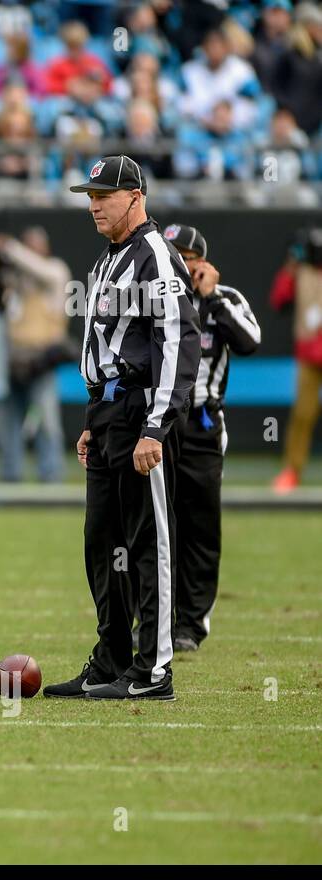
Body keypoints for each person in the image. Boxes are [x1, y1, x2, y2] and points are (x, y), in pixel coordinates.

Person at [44, 155, 199, 702]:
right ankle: (111, 658)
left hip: (139, 415)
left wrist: (155, 427)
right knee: (100, 541)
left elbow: (179, 343)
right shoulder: (111, 259)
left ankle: (155, 669)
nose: (93, 205)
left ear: (136, 195)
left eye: (103, 195)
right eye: (89, 195)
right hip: (110, 413)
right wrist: (93, 418)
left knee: (147, 541)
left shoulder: (156, 254)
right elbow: (104, 349)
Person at [161, 224, 260, 651]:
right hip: (159, 422)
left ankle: (191, 624)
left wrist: (212, 298)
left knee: (199, 525)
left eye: (188, 255)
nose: (181, 263)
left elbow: (249, 341)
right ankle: (156, 618)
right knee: (155, 525)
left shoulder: (227, 299)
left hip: (201, 423)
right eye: (174, 254)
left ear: (204, 261)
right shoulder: (154, 294)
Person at [0, 228, 72, 483]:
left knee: (46, 422)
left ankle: (50, 476)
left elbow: (39, 269)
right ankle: (10, 477)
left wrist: (10, 248)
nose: (29, 250)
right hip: (9, 359)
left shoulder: (55, 270)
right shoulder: (14, 278)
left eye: (34, 246)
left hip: (39, 361)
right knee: (6, 423)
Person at [270, 226, 322, 492]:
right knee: (302, 415)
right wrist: (290, 268)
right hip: (309, 356)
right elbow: (279, 299)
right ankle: (291, 470)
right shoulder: (300, 273)